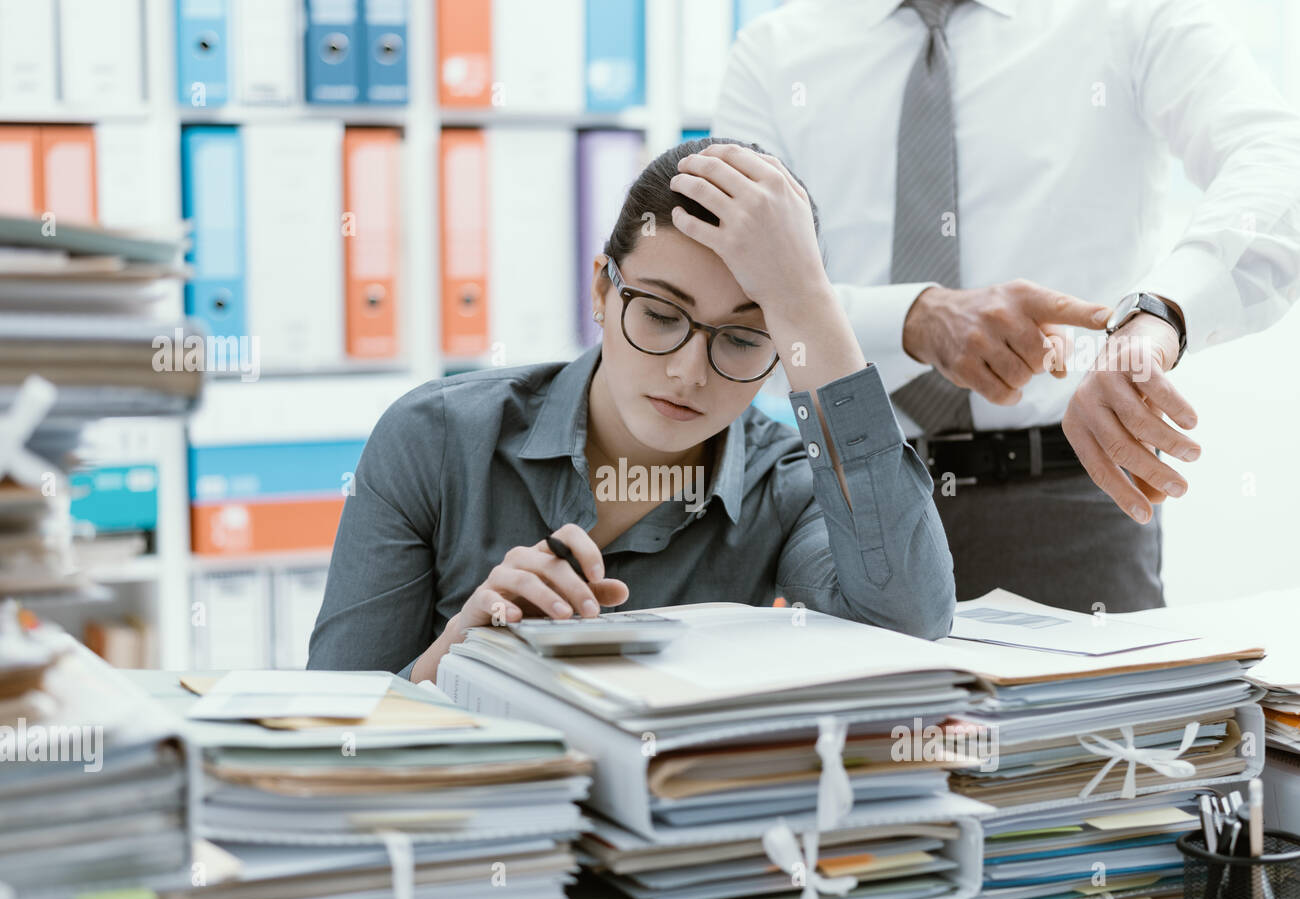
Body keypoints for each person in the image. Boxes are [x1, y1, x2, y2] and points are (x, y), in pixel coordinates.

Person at [713, 0, 1300, 611]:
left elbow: (1278, 158)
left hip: (1074, 505)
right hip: (844, 505)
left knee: (1104, 710)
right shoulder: (774, 52)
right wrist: (913, 319)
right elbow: (730, 301)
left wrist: (1159, 314)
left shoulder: (1132, 16)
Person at [307, 138, 955, 682]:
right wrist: (455, 659)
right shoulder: (436, 438)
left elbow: (905, 624)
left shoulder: (787, 486)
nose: (686, 372)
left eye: (741, 338)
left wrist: (810, 305)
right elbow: (336, 734)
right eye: (659, 314)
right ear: (600, 289)